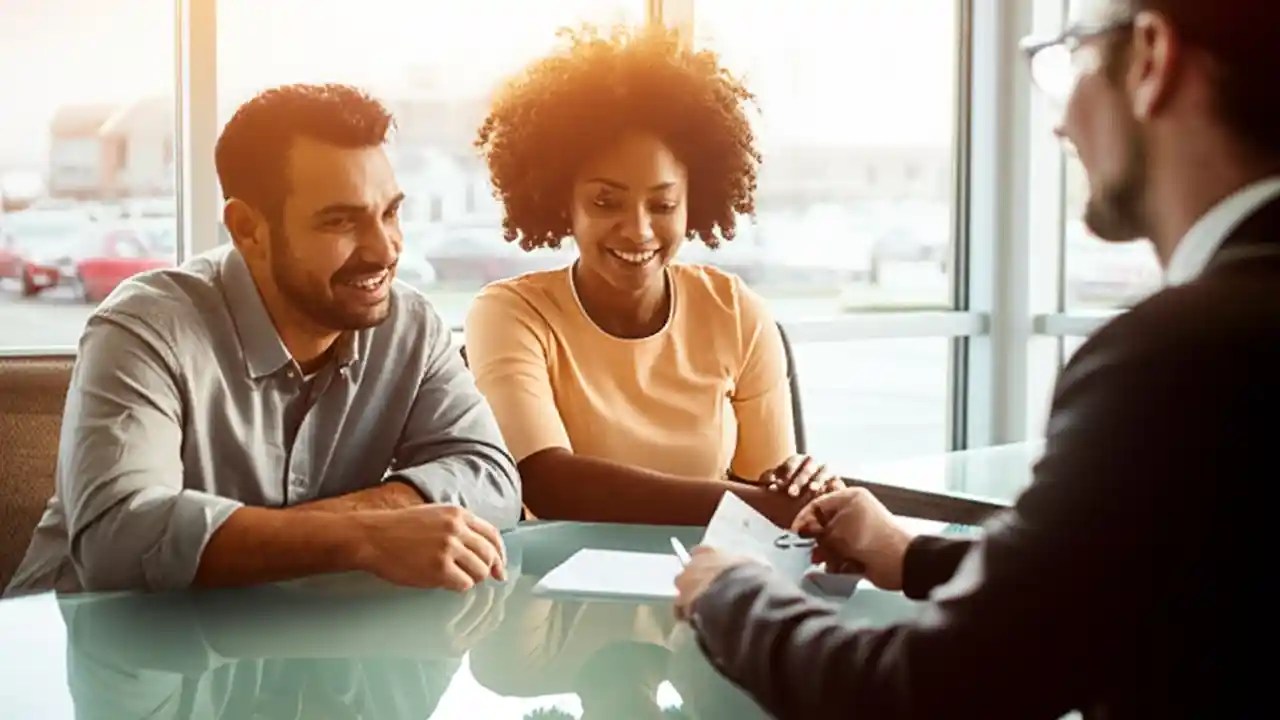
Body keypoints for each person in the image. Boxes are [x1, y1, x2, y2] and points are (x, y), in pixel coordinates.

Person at [674, 0, 1280, 716]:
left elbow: (926, 691)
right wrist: (909, 554)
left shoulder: (1175, 359)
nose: (1058, 123)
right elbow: (1136, 579)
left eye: (1074, 56)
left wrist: (732, 593)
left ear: (1151, 57)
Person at [6, 84, 521, 596]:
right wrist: (358, 537)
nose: (384, 250)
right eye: (340, 221)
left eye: (389, 213)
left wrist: (334, 529)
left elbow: (492, 478)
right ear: (248, 228)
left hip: (272, 641)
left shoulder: (409, 326)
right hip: (75, 647)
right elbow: (119, 541)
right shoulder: (146, 328)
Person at [465, 25, 839, 527]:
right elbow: (548, 483)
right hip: (555, 593)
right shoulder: (511, 313)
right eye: (605, 201)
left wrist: (798, 486)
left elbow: (768, 494)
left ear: (694, 201)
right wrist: (767, 505)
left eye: (662, 204)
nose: (639, 230)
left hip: (697, 587)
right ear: (562, 202)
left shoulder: (735, 310)